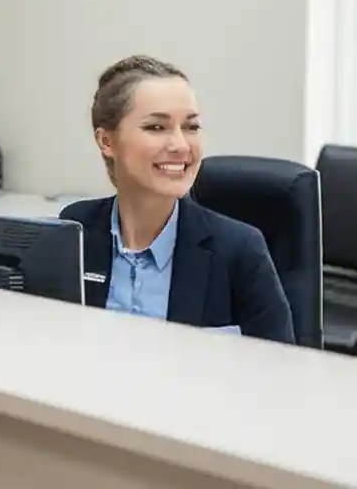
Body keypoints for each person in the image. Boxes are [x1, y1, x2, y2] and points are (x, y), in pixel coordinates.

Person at [59, 55, 294, 343]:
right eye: (156, 127)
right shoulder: (74, 230)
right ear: (107, 141)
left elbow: (281, 376)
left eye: (191, 127)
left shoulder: (239, 250)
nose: (181, 145)